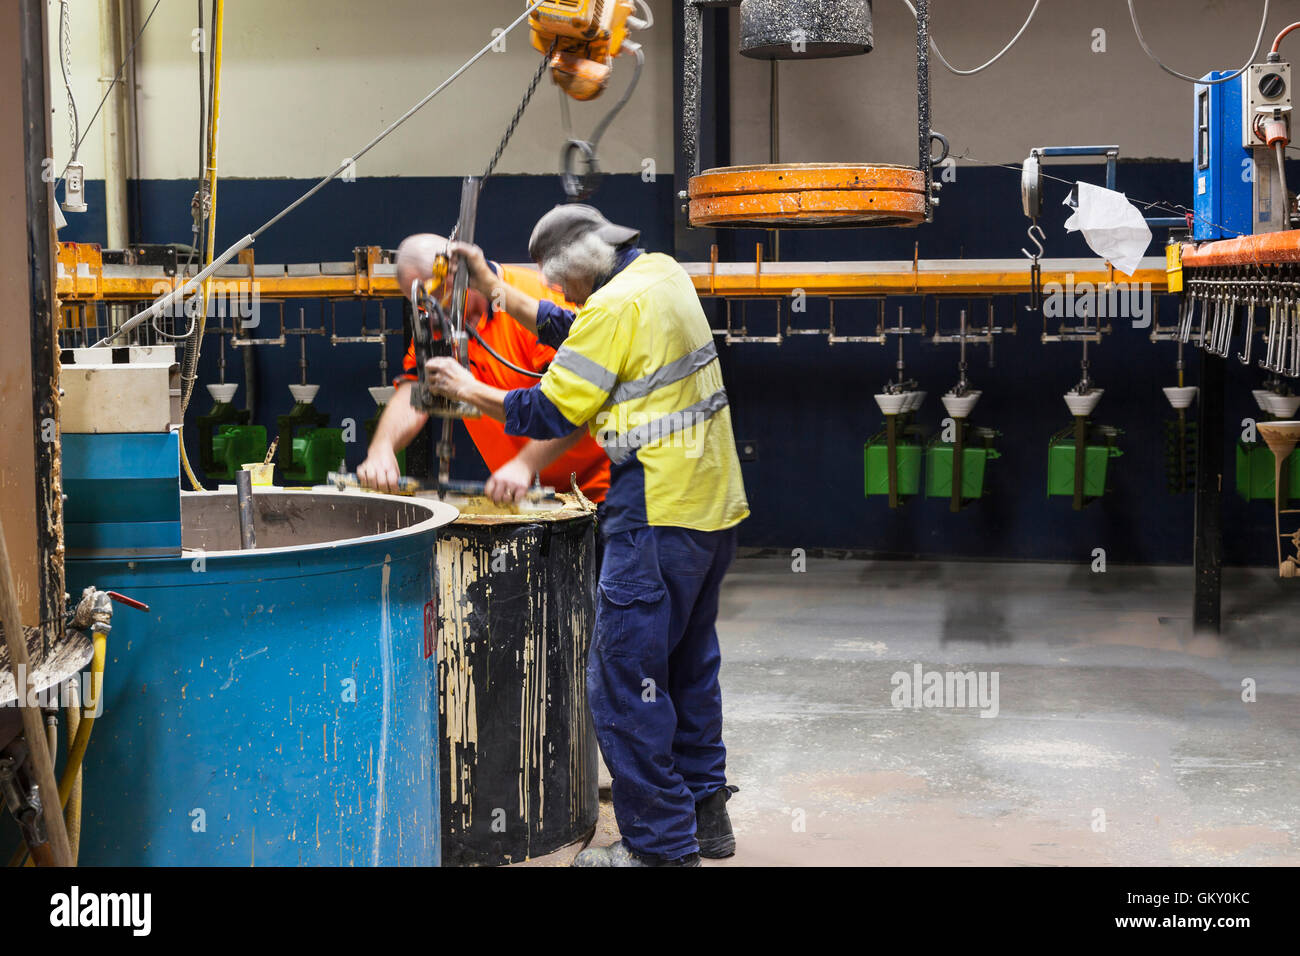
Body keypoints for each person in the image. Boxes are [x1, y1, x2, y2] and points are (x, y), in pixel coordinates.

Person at [421, 204, 749, 867]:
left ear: (578, 266)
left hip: (655, 507)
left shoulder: (609, 310)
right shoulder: (659, 277)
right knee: (687, 665)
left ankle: (659, 849)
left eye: (557, 283)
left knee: (622, 678)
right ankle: (706, 817)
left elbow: (547, 407)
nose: (558, 297)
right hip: (712, 504)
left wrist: (466, 386)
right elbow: (579, 327)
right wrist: (492, 288)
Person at [357, 233, 609, 506]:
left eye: (432, 298)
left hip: (599, 493)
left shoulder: (534, 300)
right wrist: (382, 447)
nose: (428, 313)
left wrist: (524, 465)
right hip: (528, 496)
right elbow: (416, 387)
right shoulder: (437, 323)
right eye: (419, 304)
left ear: (456, 274)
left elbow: (579, 404)